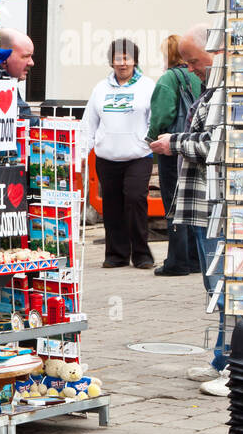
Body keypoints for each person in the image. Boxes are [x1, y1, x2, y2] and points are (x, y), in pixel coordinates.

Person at [149, 24, 229, 396]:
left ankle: (235, 366)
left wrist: (173, 142)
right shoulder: (212, 86)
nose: (191, 68)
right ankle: (222, 360)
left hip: (217, 205)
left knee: (226, 287)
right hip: (203, 205)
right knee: (214, 287)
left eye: (195, 61)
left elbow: (219, 144)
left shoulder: (230, 91)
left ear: (216, 51)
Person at [80, 38, 156, 268]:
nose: (122, 63)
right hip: (107, 157)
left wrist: (149, 142)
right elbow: (89, 123)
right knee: (111, 206)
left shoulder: (147, 86)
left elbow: (155, 119)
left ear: (135, 60)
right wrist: (83, 152)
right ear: (111, 61)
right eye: (118, 58)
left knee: (134, 200)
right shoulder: (100, 89)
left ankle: (142, 254)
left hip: (138, 156)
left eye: (127, 58)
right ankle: (116, 254)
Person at [148, 34, 203, 276]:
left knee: (173, 203)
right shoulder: (199, 75)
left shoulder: (167, 80)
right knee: (195, 202)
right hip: (196, 146)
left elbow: (161, 116)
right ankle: (194, 258)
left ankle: (177, 261)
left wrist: (150, 139)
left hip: (172, 147)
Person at [0, 27, 38, 124]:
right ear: (4, 57)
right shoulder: (0, 84)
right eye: (25, 56)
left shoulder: (4, 79)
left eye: (31, 56)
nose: (31, 63)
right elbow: (29, 122)